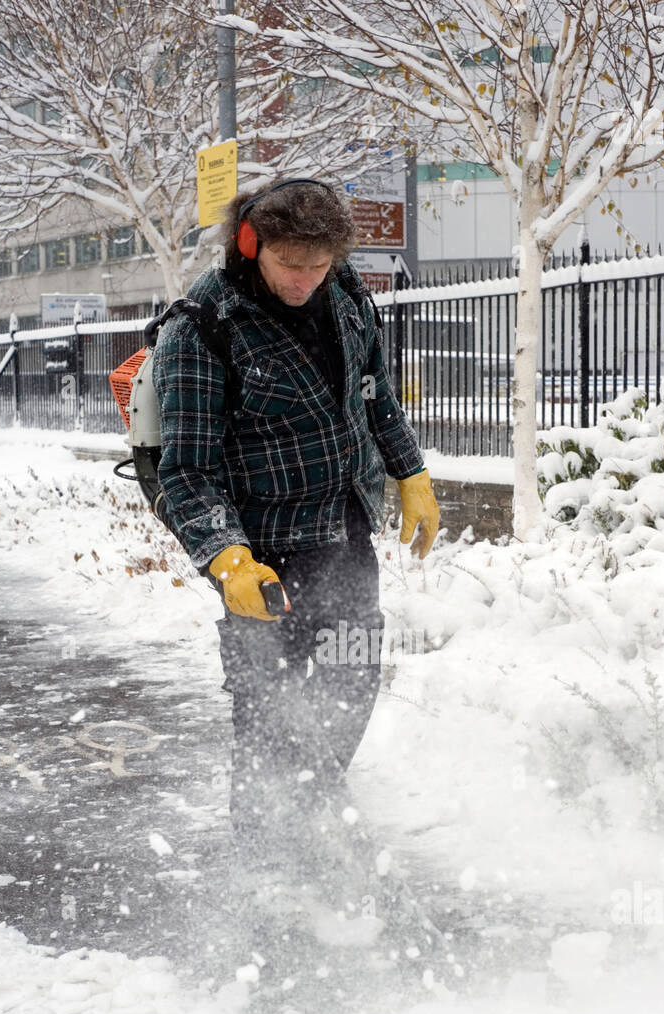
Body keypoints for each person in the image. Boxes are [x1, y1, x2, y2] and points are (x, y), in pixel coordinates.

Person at [152, 177, 439, 912]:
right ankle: (264, 861)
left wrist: (410, 472)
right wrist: (225, 557)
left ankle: (309, 811)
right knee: (265, 711)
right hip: (262, 561)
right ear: (251, 245)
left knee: (351, 680)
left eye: (318, 265)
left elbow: (374, 396)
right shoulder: (205, 325)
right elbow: (187, 469)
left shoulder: (345, 297)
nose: (304, 281)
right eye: (289, 266)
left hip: (342, 539)